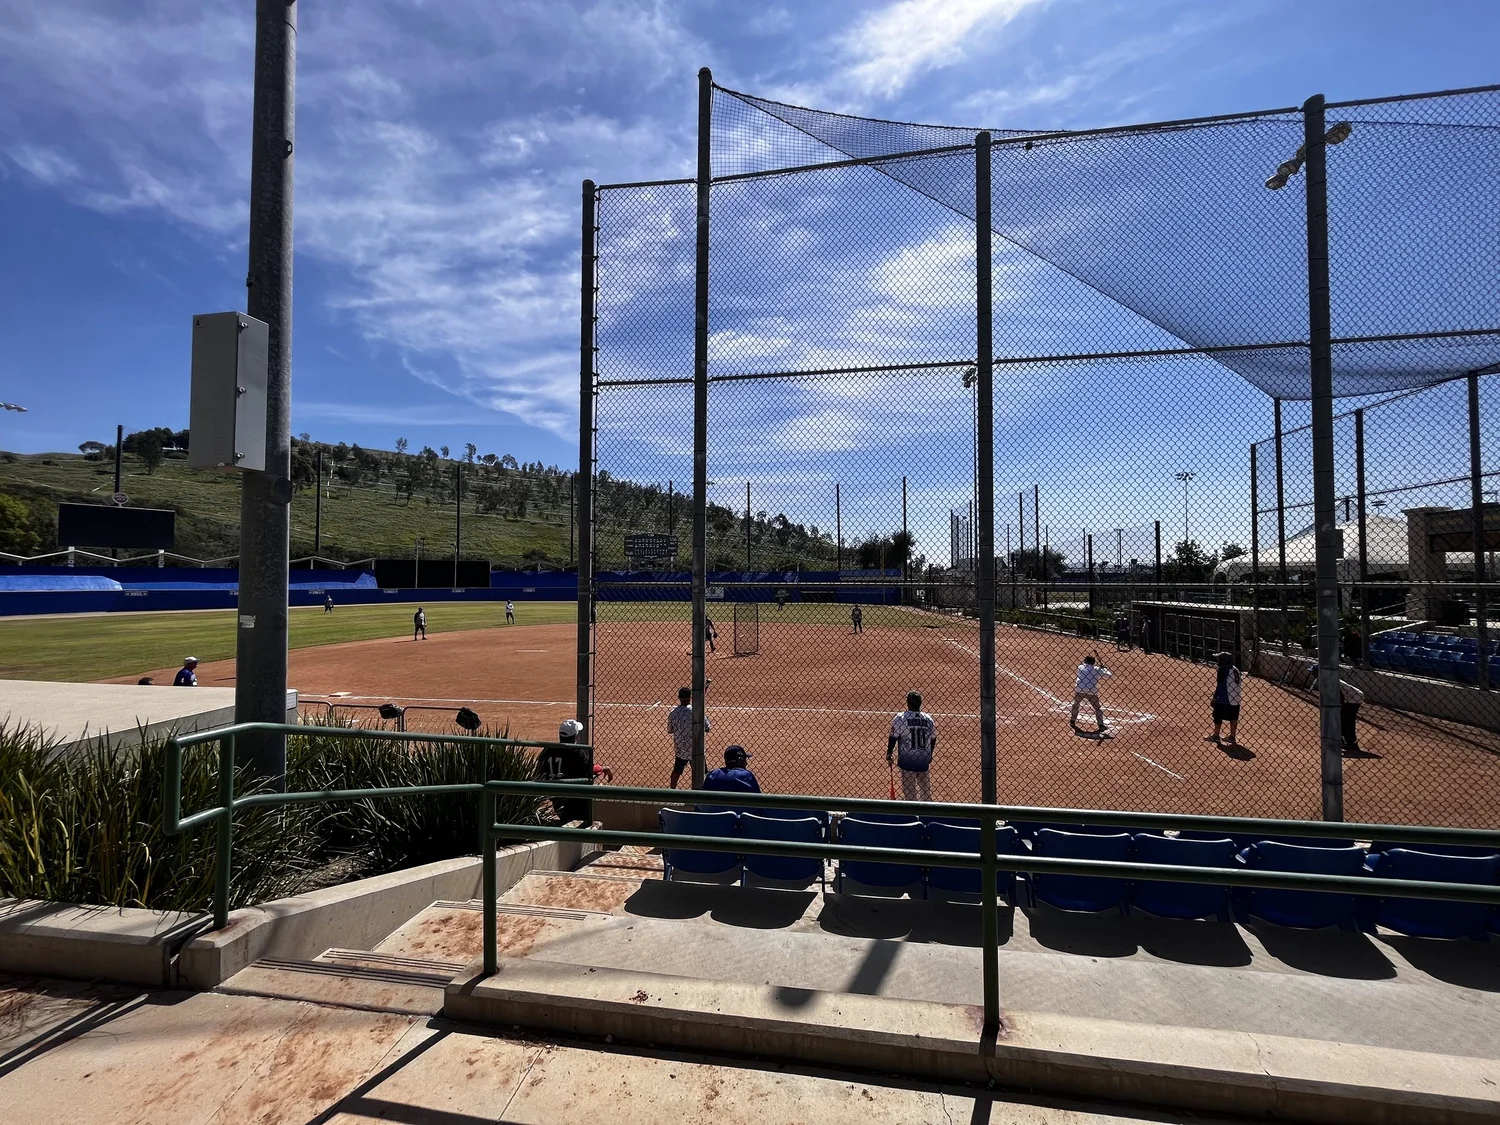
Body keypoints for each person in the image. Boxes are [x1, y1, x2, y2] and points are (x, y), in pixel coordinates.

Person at [537, 719, 610, 825]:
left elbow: (539, 771)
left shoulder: (548, 750)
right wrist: (602, 768)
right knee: (581, 818)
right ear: (575, 736)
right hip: (574, 799)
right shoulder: (578, 751)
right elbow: (590, 769)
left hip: (555, 797)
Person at [888, 690, 937, 801]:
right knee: (926, 792)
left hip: (907, 763)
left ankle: (913, 814)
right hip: (923, 761)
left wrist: (889, 753)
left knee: (910, 794)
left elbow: (893, 738)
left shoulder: (901, 718)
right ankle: (927, 814)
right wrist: (930, 755)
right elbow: (933, 739)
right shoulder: (928, 719)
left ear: (908, 703)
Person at [667, 685, 709, 788]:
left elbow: (670, 730)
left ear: (678, 697)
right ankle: (703, 790)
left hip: (681, 749)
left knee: (677, 771)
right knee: (702, 772)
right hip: (696, 748)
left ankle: (671, 791)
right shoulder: (696, 711)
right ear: (690, 697)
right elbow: (707, 727)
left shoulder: (673, 713)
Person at [1070, 653, 1112, 736]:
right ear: (1093, 663)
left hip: (1079, 689)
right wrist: (1104, 669)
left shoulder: (1080, 667)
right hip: (1091, 691)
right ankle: (1101, 725)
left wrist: (1100, 669)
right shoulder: (1097, 669)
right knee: (1097, 708)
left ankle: (1072, 720)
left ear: (1085, 661)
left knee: (1076, 705)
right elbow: (1109, 676)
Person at [1211, 650, 1242, 746]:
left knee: (1217, 715)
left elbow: (1221, 685)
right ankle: (1232, 737)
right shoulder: (1235, 669)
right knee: (1233, 717)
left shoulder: (1223, 670)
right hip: (1236, 697)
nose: (1218, 660)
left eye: (1219, 658)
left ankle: (1216, 736)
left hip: (1225, 697)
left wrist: (1215, 697)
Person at [1339, 678, 1366, 754]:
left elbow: (1340, 696)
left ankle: (1349, 742)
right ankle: (1348, 741)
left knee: (1345, 720)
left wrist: (1341, 707)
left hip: (1354, 698)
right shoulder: (1328, 679)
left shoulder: (1330, 681)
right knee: (1346, 719)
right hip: (1352, 698)